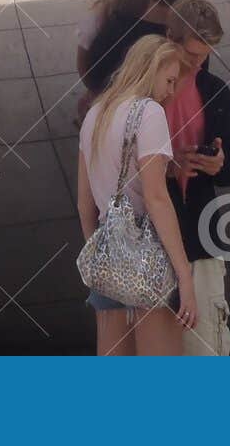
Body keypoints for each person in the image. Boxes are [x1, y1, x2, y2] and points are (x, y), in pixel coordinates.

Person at [76, 35, 196, 354]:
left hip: (108, 248)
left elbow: (84, 202)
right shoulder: (149, 112)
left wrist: (103, 253)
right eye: (169, 80)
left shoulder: (94, 114)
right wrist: (185, 276)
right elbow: (156, 198)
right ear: (151, 69)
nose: (170, 92)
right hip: (149, 254)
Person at [162, 0, 230, 356]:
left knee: (206, 345)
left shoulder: (215, 90)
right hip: (152, 235)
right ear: (169, 38)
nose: (198, 63)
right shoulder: (144, 89)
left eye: (206, 54)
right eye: (191, 54)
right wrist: (168, 165)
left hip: (198, 230)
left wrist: (218, 163)